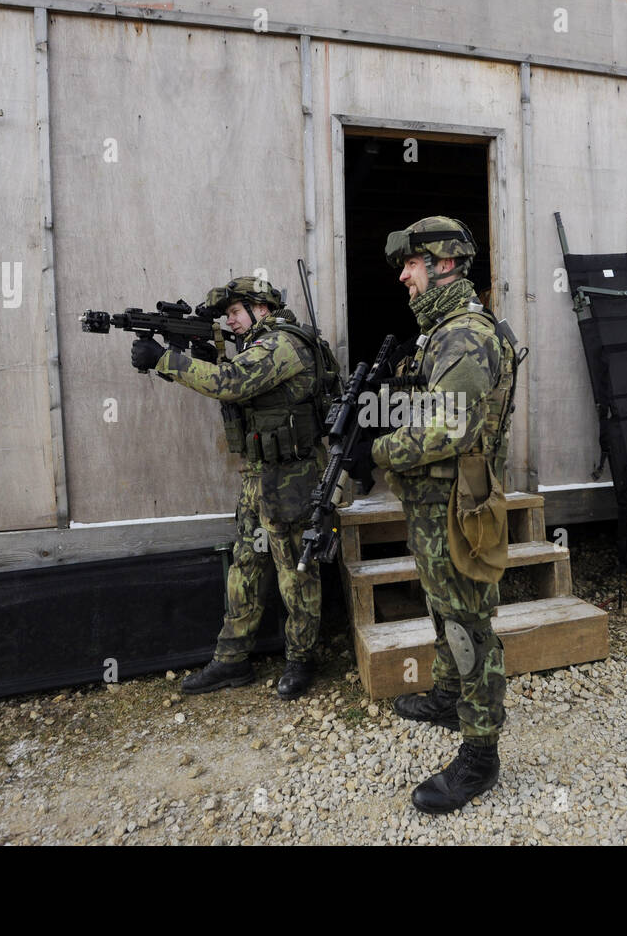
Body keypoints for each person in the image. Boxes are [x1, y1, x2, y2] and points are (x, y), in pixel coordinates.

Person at [347, 216, 518, 814]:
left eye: (411, 265)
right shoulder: (439, 334)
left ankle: (481, 753)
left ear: (443, 264)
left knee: (469, 624)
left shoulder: (464, 336)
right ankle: (449, 697)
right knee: (443, 607)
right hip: (432, 502)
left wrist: (377, 451)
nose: (403, 276)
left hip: (457, 503)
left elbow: (449, 427)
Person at [130, 276, 336, 700]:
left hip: (292, 479)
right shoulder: (255, 346)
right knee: (245, 565)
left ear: (262, 308)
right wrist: (203, 356)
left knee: (296, 573)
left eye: (236, 312)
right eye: (227, 315)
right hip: (259, 476)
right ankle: (232, 659)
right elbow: (236, 384)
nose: (231, 322)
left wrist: (165, 360)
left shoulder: (282, 344)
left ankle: (301, 659)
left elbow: (232, 383)